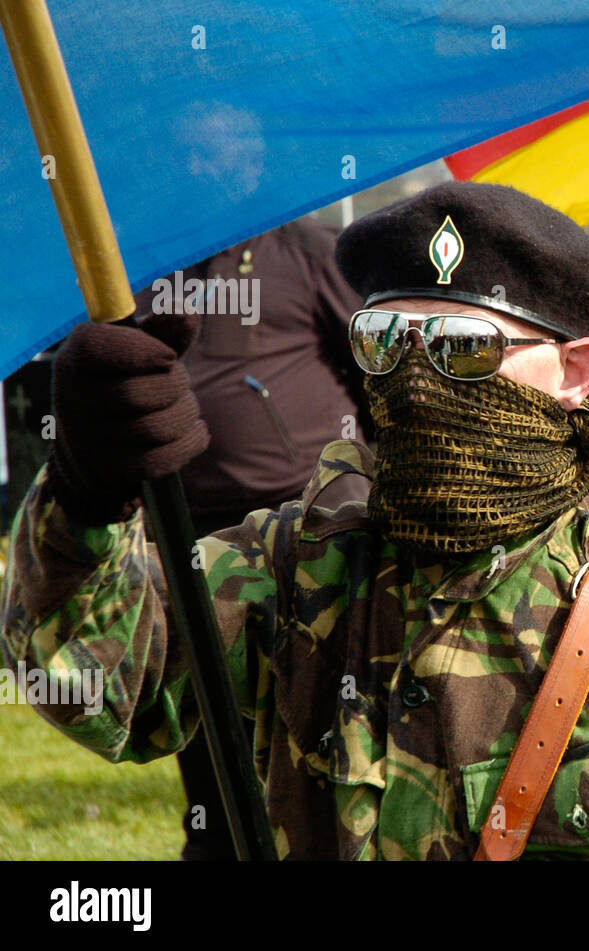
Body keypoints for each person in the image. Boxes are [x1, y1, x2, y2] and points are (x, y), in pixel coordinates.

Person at [0, 182, 589, 861]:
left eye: (463, 349)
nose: (416, 377)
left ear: (576, 373)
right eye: (385, 343)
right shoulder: (292, 568)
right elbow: (101, 688)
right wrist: (86, 487)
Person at [134, 215, 369, 861]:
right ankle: (210, 844)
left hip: (299, 536)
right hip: (181, 533)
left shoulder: (310, 250)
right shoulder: (147, 261)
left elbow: (375, 375)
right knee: (202, 706)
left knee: (303, 717)